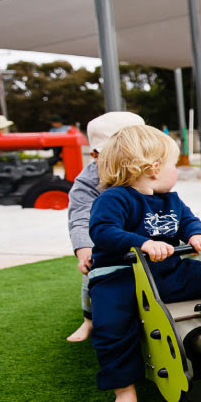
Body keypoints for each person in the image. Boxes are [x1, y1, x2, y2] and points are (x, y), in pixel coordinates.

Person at [87, 124, 201, 402]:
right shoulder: (113, 198)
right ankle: (123, 387)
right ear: (154, 168)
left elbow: (189, 221)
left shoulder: (171, 200)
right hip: (120, 277)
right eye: (174, 165)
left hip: (166, 272)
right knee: (112, 325)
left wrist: (197, 235)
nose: (176, 172)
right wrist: (143, 243)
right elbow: (102, 231)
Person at [65, 111, 145, 343]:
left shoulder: (148, 170)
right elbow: (80, 218)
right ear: (95, 156)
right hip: (107, 239)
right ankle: (89, 320)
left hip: (145, 232)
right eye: (117, 154)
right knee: (94, 276)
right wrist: (85, 251)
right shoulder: (88, 182)